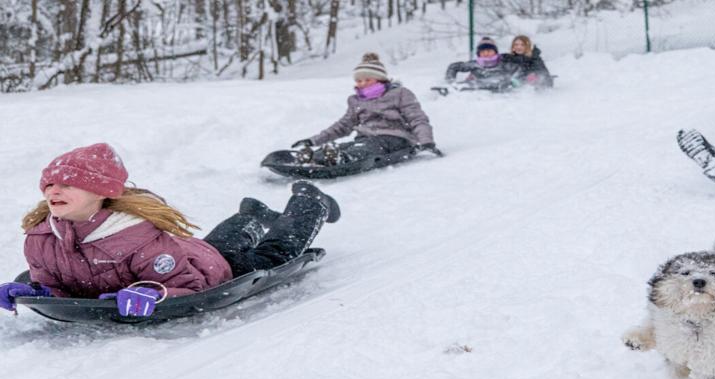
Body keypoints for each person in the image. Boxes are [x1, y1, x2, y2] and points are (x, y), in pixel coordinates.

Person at [4, 143, 339, 318]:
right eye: (49, 184)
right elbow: (59, 286)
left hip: (212, 272)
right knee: (217, 245)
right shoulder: (41, 239)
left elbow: (188, 285)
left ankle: (310, 202)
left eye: (68, 184)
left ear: (102, 193)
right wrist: (40, 294)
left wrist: (156, 293)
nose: (53, 191)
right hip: (191, 253)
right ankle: (248, 217)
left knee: (272, 253)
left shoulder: (136, 236)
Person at [293, 53, 441, 167]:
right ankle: (314, 158)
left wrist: (427, 142)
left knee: (367, 148)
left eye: (367, 80)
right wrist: (313, 141)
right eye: (359, 80)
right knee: (346, 146)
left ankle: (343, 159)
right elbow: (343, 126)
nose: (362, 84)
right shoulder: (356, 100)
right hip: (365, 138)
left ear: (380, 79)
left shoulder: (400, 94)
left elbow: (417, 119)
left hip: (395, 138)